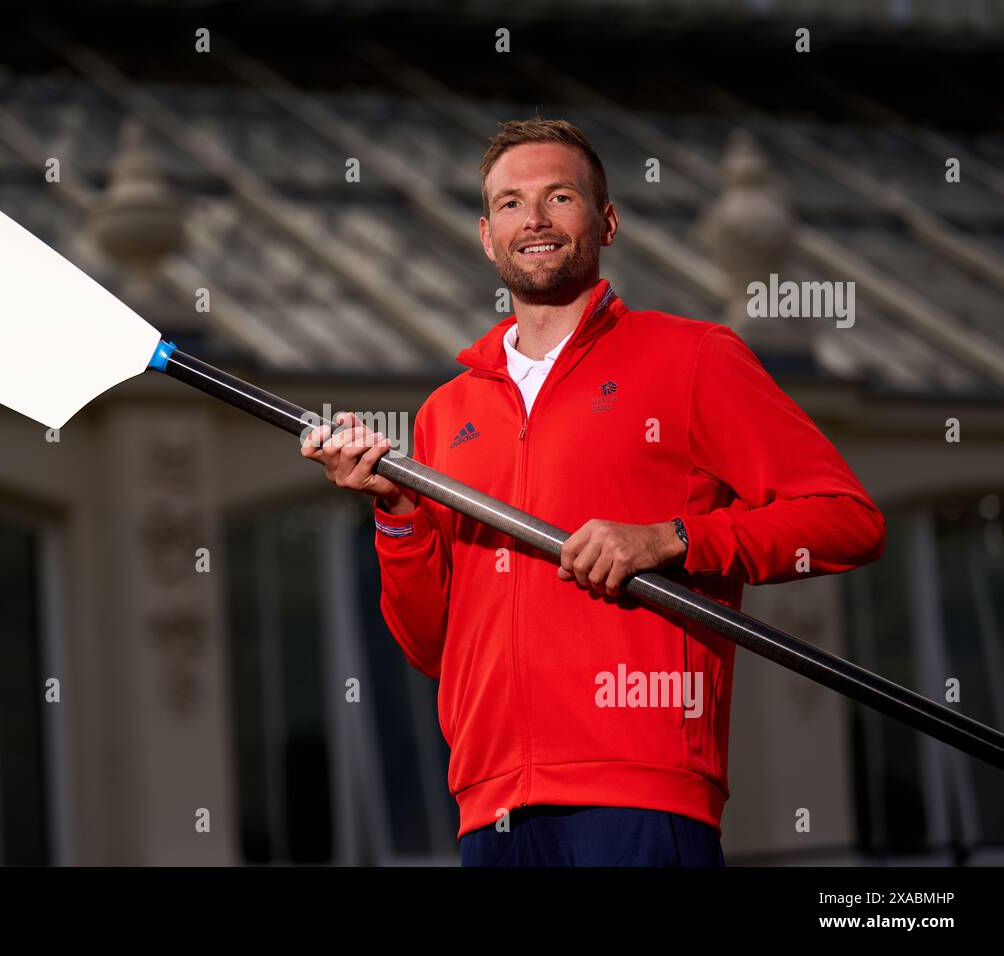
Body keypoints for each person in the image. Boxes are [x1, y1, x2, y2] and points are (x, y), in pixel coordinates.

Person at [299, 118, 886, 866]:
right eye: (510, 204)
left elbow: (849, 522)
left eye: (559, 196)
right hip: (491, 806)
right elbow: (430, 647)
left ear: (605, 220)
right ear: (486, 236)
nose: (534, 220)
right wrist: (397, 513)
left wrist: (673, 539)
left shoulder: (693, 359)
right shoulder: (448, 413)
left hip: (641, 791)